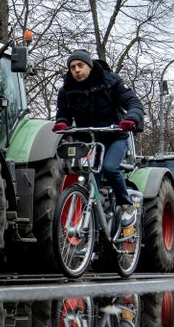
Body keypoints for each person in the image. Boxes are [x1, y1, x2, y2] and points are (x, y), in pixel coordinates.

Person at [53, 49, 144, 226]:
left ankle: (126, 206)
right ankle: (94, 221)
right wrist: (62, 123)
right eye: (72, 67)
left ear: (90, 66)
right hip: (88, 141)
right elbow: (63, 113)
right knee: (87, 177)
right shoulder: (66, 90)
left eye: (80, 65)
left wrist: (131, 118)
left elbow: (134, 103)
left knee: (110, 168)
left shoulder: (110, 81)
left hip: (114, 136)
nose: (77, 70)